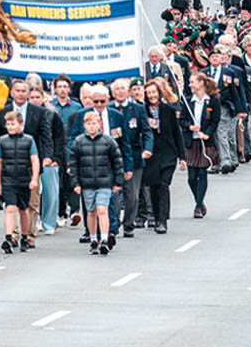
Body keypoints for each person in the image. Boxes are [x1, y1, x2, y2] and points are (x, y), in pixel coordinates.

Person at [65, 84, 130, 249]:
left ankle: (110, 233)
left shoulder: (116, 116)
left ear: (108, 100)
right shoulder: (81, 116)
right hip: (87, 167)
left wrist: (126, 168)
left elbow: (124, 143)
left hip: (107, 167)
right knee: (90, 207)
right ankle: (92, 234)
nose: (99, 105)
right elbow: (72, 141)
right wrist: (71, 166)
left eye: (102, 101)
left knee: (108, 204)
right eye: (96, 101)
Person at [0, 79, 54, 248]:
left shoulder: (39, 112)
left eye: (23, 91)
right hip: (9, 168)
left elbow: (45, 136)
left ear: (28, 94)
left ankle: (29, 235)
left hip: (30, 166)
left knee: (30, 204)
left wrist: (47, 156)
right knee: (10, 207)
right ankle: (12, 236)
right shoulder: (3, 111)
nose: (20, 94)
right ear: (12, 93)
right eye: (17, 90)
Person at [67, 111, 122, 256]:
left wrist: (118, 181)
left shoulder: (108, 141)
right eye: (89, 124)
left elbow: (117, 162)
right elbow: (73, 164)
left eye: (94, 123)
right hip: (87, 183)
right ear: (84, 125)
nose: (92, 127)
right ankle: (93, 239)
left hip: (104, 182)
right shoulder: (79, 142)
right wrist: (76, 183)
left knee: (102, 210)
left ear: (99, 124)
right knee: (91, 212)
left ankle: (104, 239)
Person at [0, 110, 40, 254]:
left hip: (24, 179)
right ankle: (8, 237)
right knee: (10, 208)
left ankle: (24, 237)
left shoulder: (29, 140)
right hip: (8, 180)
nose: (10, 127)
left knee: (23, 209)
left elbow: (34, 160)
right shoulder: (2, 141)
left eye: (13, 124)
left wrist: (34, 178)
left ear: (21, 124)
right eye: (8, 124)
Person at [141, 77, 185, 234]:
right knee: (153, 186)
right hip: (151, 154)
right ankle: (155, 216)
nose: (152, 95)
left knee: (164, 185)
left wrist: (182, 157)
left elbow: (177, 133)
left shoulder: (168, 110)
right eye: (149, 93)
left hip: (168, 154)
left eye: (154, 92)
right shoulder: (142, 110)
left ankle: (163, 220)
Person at [110, 78, 152, 237]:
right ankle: (114, 223)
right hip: (113, 156)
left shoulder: (138, 109)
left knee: (132, 195)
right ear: (113, 93)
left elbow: (147, 131)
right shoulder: (108, 109)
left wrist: (147, 148)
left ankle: (129, 223)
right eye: (117, 89)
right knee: (113, 193)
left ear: (128, 91)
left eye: (123, 88)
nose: (120, 91)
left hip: (133, 156)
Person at [203, 45, 247, 174]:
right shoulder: (204, 73)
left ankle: (227, 160)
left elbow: (236, 92)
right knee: (214, 133)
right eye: (212, 56)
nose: (215, 58)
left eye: (217, 56)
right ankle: (218, 161)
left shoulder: (229, 73)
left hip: (225, 106)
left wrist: (240, 109)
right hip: (209, 107)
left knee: (225, 133)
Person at [181, 72, 219, 219]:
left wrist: (206, 134)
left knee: (202, 173)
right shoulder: (188, 101)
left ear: (201, 83)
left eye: (192, 82)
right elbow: (182, 120)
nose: (190, 85)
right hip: (191, 142)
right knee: (191, 177)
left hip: (205, 142)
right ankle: (200, 200)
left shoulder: (213, 101)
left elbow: (215, 121)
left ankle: (197, 206)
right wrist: (190, 127)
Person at [48, 75, 83, 226]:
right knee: (59, 180)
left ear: (69, 89)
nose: (62, 90)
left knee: (73, 177)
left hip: (73, 144)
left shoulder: (76, 107)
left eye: (65, 87)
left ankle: (74, 211)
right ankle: (60, 212)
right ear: (55, 89)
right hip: (57, 146)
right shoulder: (50, 106)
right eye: (59, 87)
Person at [28, 87, 61, 236]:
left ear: (43, 98)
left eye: (37, 97)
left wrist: (55, 158)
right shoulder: (23, 115)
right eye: (32, 97)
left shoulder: (51, 115)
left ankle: (49, 222)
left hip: (48, 159)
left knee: (50, 193)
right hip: (30, 158)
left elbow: (59, 139)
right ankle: (31, 223)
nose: (34, 100)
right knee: (33, 194)